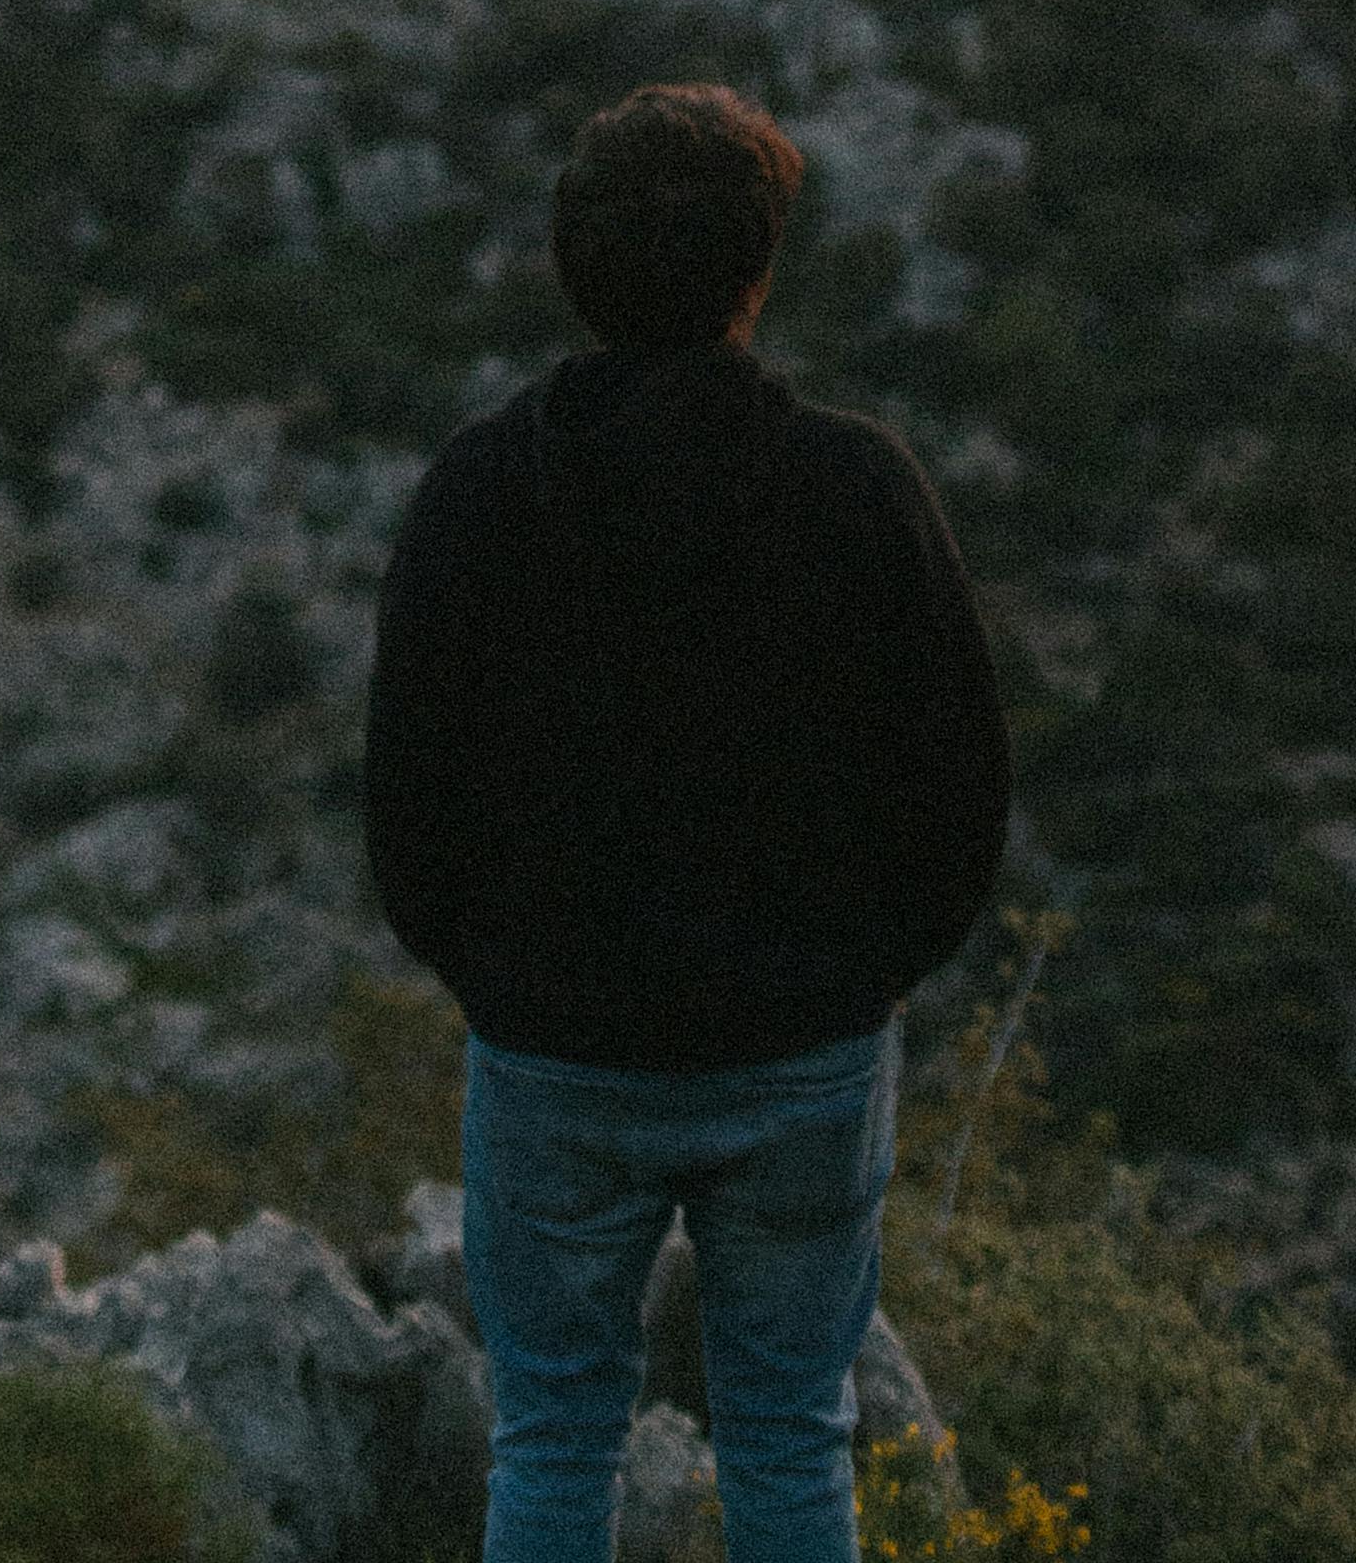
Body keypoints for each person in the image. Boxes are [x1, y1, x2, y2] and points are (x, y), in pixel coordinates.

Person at [364, 81, 1011, 1563]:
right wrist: (863, 977)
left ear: (574, 269)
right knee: (793, 1442)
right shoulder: (856, 489)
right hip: (801, 1063)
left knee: (550, 1443)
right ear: (756, 271)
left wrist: (499, 977)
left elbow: (407, 794)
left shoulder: (480, 492)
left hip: (555, 1057)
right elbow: (961, 789)